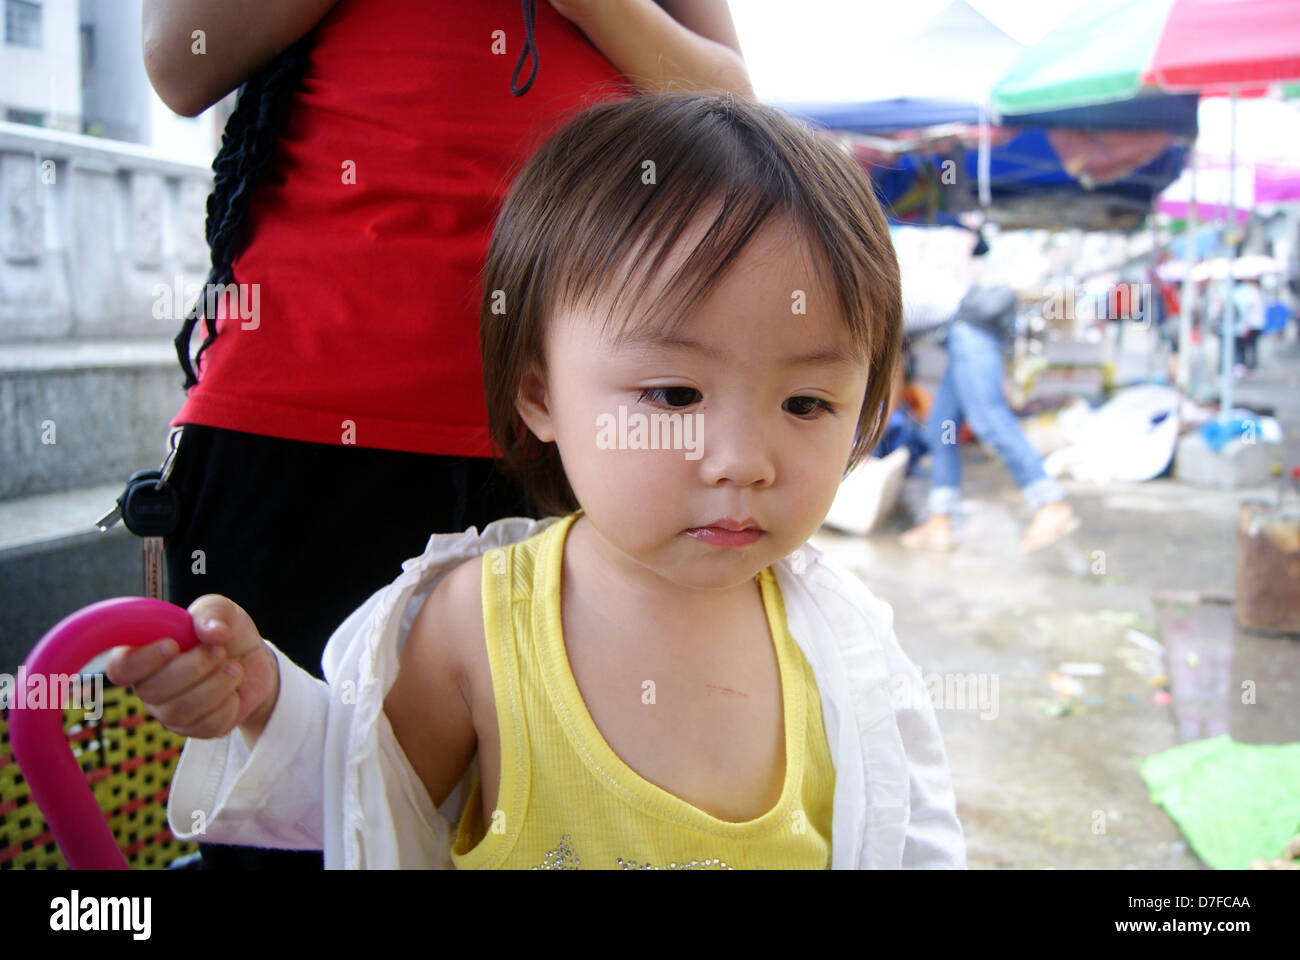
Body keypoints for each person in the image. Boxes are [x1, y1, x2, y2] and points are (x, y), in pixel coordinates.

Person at [107, 93, 967, 870]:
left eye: (808, 402)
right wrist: (265, 704)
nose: (744, 458)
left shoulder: (847, 646)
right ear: (540, 395)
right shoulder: (474, 622)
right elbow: (370, 801)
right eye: (674, 394)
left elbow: (917, 838)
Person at [142, 0, 752, 870]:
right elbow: (178, 62)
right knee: (293, 834)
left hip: (585, 427)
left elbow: (732, 108)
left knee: (577, 824)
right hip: (300, 416)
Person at [900, 252, 1080, 554]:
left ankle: (1051, 505)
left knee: (988, 420)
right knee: (939, 429)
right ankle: (940, 521)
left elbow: (894, 375)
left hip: (970, 329)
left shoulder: (871, 294)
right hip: (960, 334)